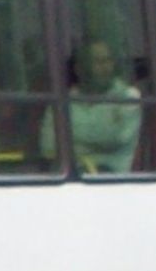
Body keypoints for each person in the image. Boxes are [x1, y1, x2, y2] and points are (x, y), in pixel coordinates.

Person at [40, 39, 142, 174]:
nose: (106, 67)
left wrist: (70, 138)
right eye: (98, 62)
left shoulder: (129, 96)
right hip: (70, 180)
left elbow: (115, 137)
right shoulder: (61, 101)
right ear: (79, 69)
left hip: (114, 182)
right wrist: (95, 138)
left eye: (108, 61)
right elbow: (48, 148)